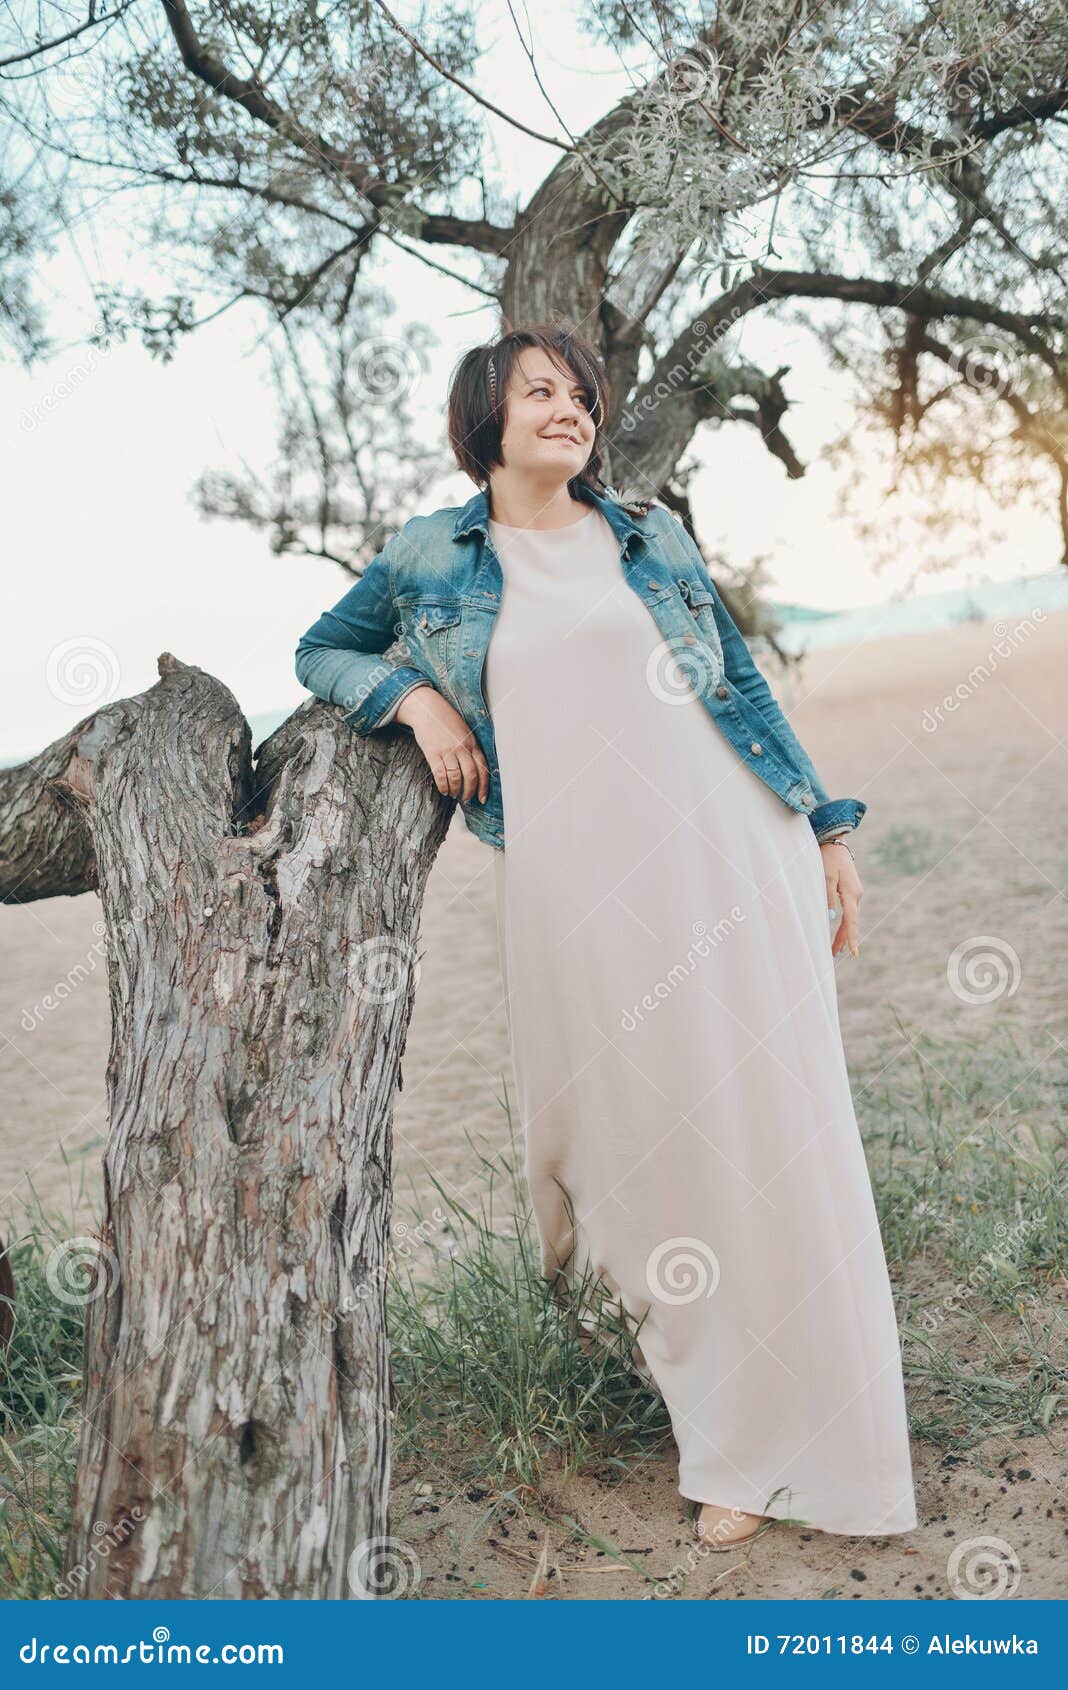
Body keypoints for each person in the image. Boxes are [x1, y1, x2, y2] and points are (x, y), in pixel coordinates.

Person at [294, 323, 918, 1552]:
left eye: (580, 394)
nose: (569, 409)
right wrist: (415, 700)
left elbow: (736, 679)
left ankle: (782, 1446)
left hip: (731, 855)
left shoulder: (650, 532)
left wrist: (826, 832)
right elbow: (323, 649)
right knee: (645, 1153)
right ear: (486, 415)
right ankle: (723, 1416)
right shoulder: (433, 553)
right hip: (576, 890)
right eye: (539, 392)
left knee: (774, 1139)